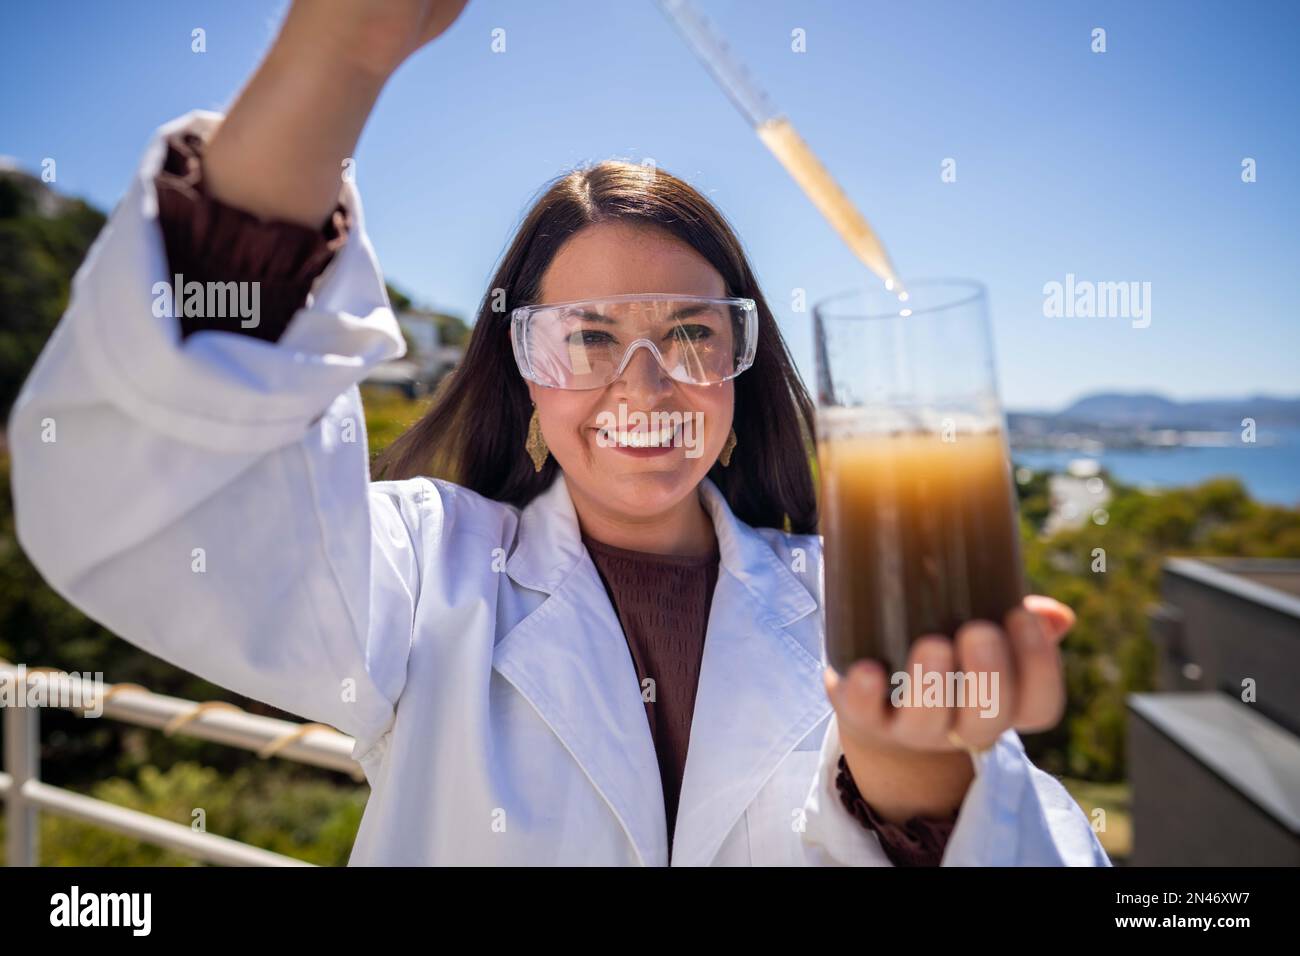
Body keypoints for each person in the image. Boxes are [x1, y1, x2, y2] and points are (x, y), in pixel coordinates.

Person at [8, 0, 1109, 866]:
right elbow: (163, 500)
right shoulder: (426, 575)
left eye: (690, 331)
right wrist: (338, 52)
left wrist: (908, 782)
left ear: (743, 363)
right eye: (584, 337)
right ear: (522, 372)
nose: (646, 380)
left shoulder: (856, 600)